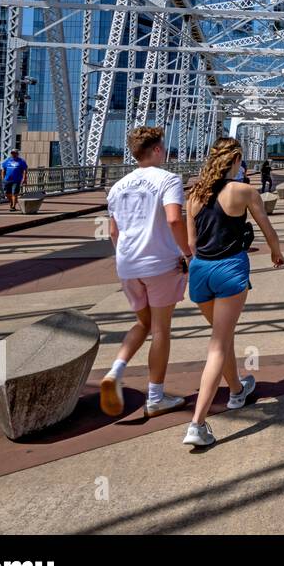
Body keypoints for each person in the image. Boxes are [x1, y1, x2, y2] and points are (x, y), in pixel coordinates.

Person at [182, 136, 284, 448]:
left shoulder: (194, 195)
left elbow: (191, 244)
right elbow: (266, 227)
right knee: (217, 345)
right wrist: (275, 252)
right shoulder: (243, 191)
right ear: (237, 160)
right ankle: (197, 424)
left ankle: (238, 391)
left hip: (200, 272)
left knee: (222, 337)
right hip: (229, 271)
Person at [98, 127, 194, 419]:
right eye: (162, 147)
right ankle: (155, 396)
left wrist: (125, 256)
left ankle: (116, 370)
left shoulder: (117, 187)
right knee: (161, 330)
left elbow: (113, 231)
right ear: (155, 150)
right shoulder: (168, 180)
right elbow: (175, 219)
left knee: (143, 322)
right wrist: (188, 254)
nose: (165, 151)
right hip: (160, 264)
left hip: (127, 265)